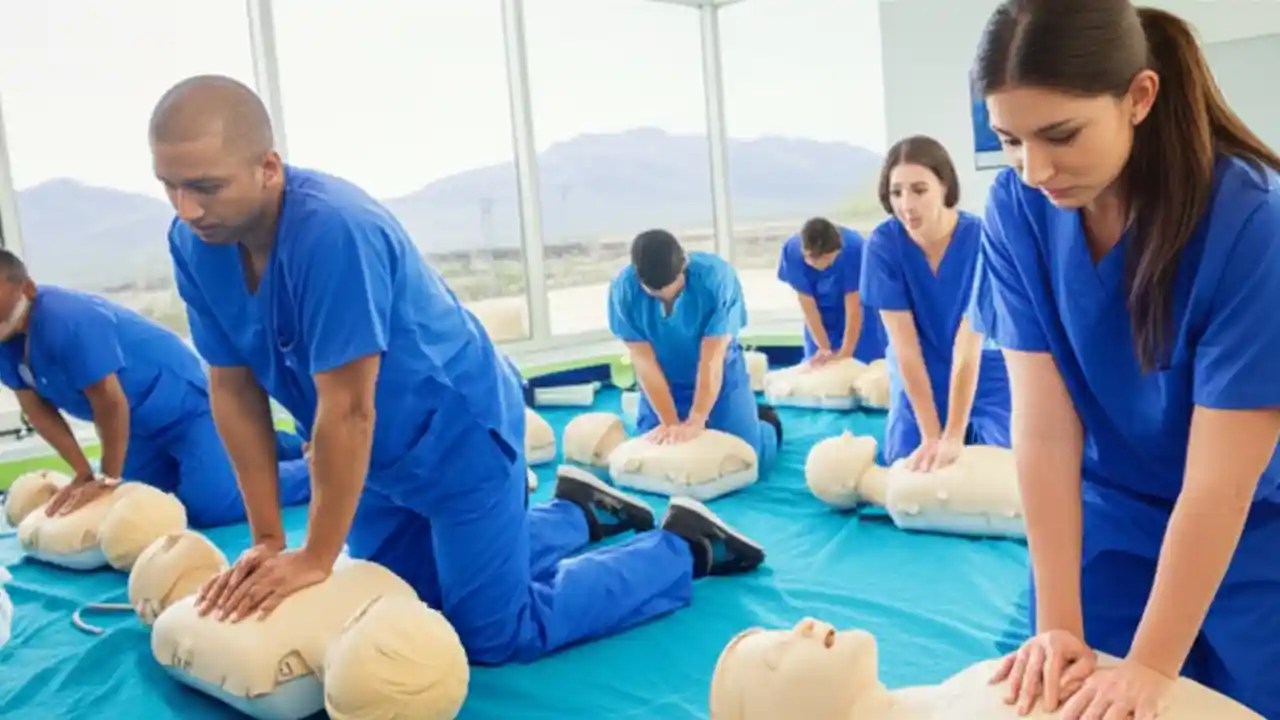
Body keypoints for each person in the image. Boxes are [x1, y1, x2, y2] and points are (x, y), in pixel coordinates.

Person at [152, 75, 766, 666]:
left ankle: (681, 546)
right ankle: (578, 513)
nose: (188, 208)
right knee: (413, 604)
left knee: (492, 634)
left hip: (459, 440)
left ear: (269, 168)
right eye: (170, 187)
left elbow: (349, 407)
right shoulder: (193, 244)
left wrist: (315, 555)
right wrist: (266, 540)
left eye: (205, 186)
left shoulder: (333, 231)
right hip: (371, 461)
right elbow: (233, 389)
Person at [969, 3, 1280, 719]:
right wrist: (1057, 625)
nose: (1034, 167)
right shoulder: (1017, 209)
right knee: (1042, 691)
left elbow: (1219, 488)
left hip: (1253, 526)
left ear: (1139, 97)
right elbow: (1045, 431)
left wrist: (1148, 666)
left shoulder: (1252, 224)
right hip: (1109, 514)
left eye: (1061, 134)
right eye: (1009, 139)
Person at [0, 252, 310, 528]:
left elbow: (110, 404)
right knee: (147, 508)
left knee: (213, 503)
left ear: (27, 288)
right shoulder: (6, 344)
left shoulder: (67, 320)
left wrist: (106, 478)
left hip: (188, 408)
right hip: (139, 430)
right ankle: (258, 446)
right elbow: (37, 412)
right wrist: (83, 473)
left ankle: (322, 464)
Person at [859, 136, 1010, 470]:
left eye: (919, 190)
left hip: (980, 369)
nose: (907, 205)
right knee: (910, 462)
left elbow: (968, 346)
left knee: (988, 459)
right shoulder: (883, 245)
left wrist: (953, 434)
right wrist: (930, 434)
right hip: (917, 370)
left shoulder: (981, 239)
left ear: (944, 186)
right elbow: (905, 350)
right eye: (896, 192)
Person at [609, 230, 782, 472]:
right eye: (655, 294)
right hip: (662, 377)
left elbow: (711, 357)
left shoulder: (716, 279)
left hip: (720, 375)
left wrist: (697, 419)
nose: (665, 299)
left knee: (745, 460)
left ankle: (765, 423)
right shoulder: (623, 291)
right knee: (654, 461)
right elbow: (644, 362)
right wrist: (671, 425)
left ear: (684, 266)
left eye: (674, 291)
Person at [775, 217, 886, 366]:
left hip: (859, 318)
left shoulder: (854, 249)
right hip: (821, 314)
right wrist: (824, 347)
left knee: (860, 369)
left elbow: (854, 305)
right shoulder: (792, 251)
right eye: (815, 260)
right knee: (819, 366)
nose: (823, 265)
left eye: (828, 258)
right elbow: (807, 305)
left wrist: (846, 353)